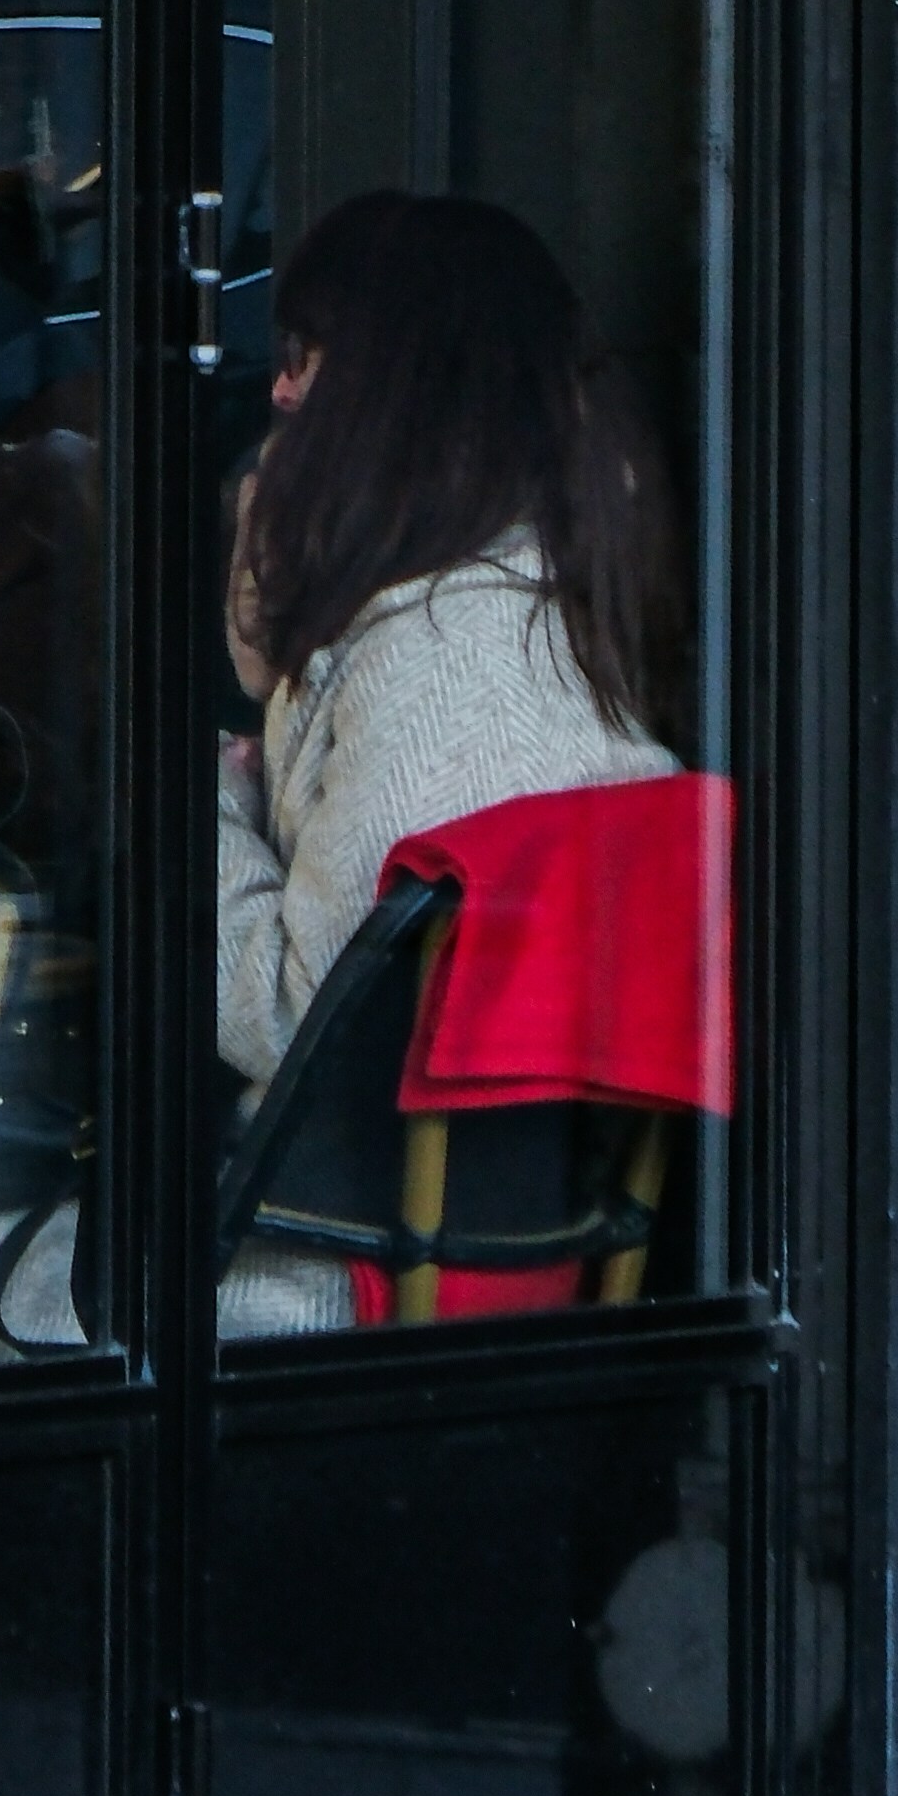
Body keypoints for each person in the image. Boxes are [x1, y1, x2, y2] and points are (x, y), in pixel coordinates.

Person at [216, 185, 678, 1131]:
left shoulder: (447, 663)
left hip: (337, 1261)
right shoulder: (529, 602)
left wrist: (202, 821)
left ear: (398, 383)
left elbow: (296, 1021)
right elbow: (265, 670)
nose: (280, 390)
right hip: (429, 1234)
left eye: (305, 354)